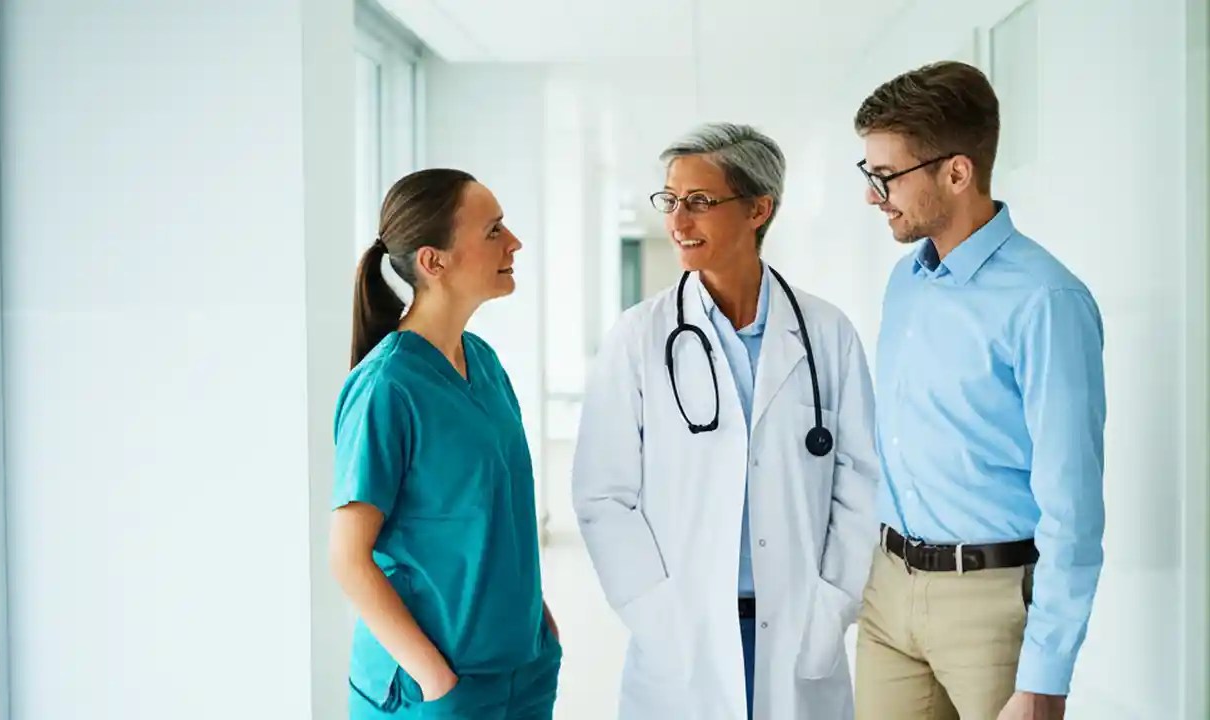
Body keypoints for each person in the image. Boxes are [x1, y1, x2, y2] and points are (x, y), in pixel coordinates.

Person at [572, 122, 880, 720]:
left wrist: (832, 606)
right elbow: (603, 494)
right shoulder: (640, 337)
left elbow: (862, 481)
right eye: (671, 201)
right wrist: (655, 613)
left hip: (796, 625)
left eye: (700, 203)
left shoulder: (826, 334)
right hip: (684, 634)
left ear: (758, 209)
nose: (678, 221)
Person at [852, 61, 1106, 720]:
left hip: (989, 607)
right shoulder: (906, 281)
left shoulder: (1046, 300)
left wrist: (1046, 676)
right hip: (888, 592)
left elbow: (1072, 505)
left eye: (886, 177)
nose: (873, 196)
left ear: (956, 172)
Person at [329, 168, 561, 719]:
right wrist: (435, 679)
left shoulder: (482, 361)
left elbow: (497, 512)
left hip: (520, 666)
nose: (514, 243)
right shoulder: (387, 386)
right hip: (435, 687)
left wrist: (538, 620)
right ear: (434, 261)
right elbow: (347, 558)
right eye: (493, 231)